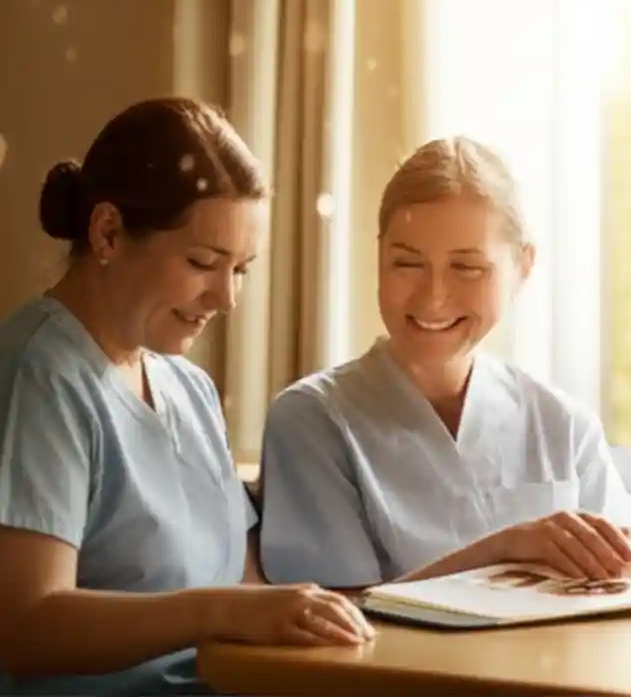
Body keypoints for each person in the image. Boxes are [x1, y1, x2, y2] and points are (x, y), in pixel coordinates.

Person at [0, 97, 374, 697]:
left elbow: (249, 589)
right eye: (204, 262)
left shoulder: (188, 388)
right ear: (109, 232)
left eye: (243, 269)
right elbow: (23, 624)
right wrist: (216, 613)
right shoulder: (40, 379)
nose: (226, 299)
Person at [259, 137, 631, 590]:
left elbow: (627, 590)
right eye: (407, 264)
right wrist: (503, 552)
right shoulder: (312, 420)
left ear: (523, 267)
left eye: (467, 268)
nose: (432, 297)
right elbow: (329, 624)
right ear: (378, 255)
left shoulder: (565, 426)